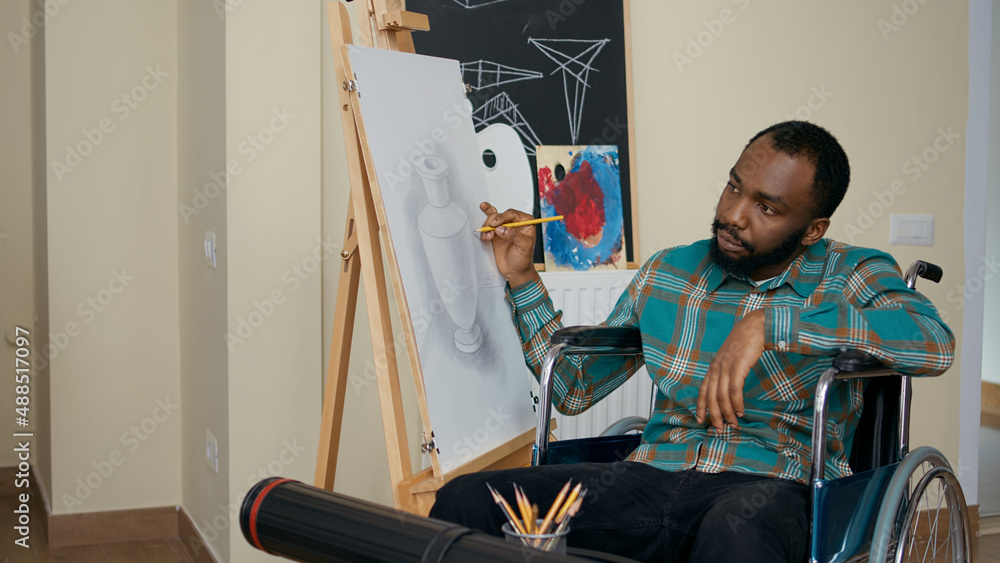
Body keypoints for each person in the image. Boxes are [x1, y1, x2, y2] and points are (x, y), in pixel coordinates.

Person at [428, 121, 955, 562]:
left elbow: (934, 343)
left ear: (813, 229)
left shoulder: (853, 272)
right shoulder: (669, 272)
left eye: (766, 208)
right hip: (647, 478)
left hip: (766, 489)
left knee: (734, 531)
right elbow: (569, 389)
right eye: (733, 187)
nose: (733, 214)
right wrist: (523, 280)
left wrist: (774, 323)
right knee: (469, 500)